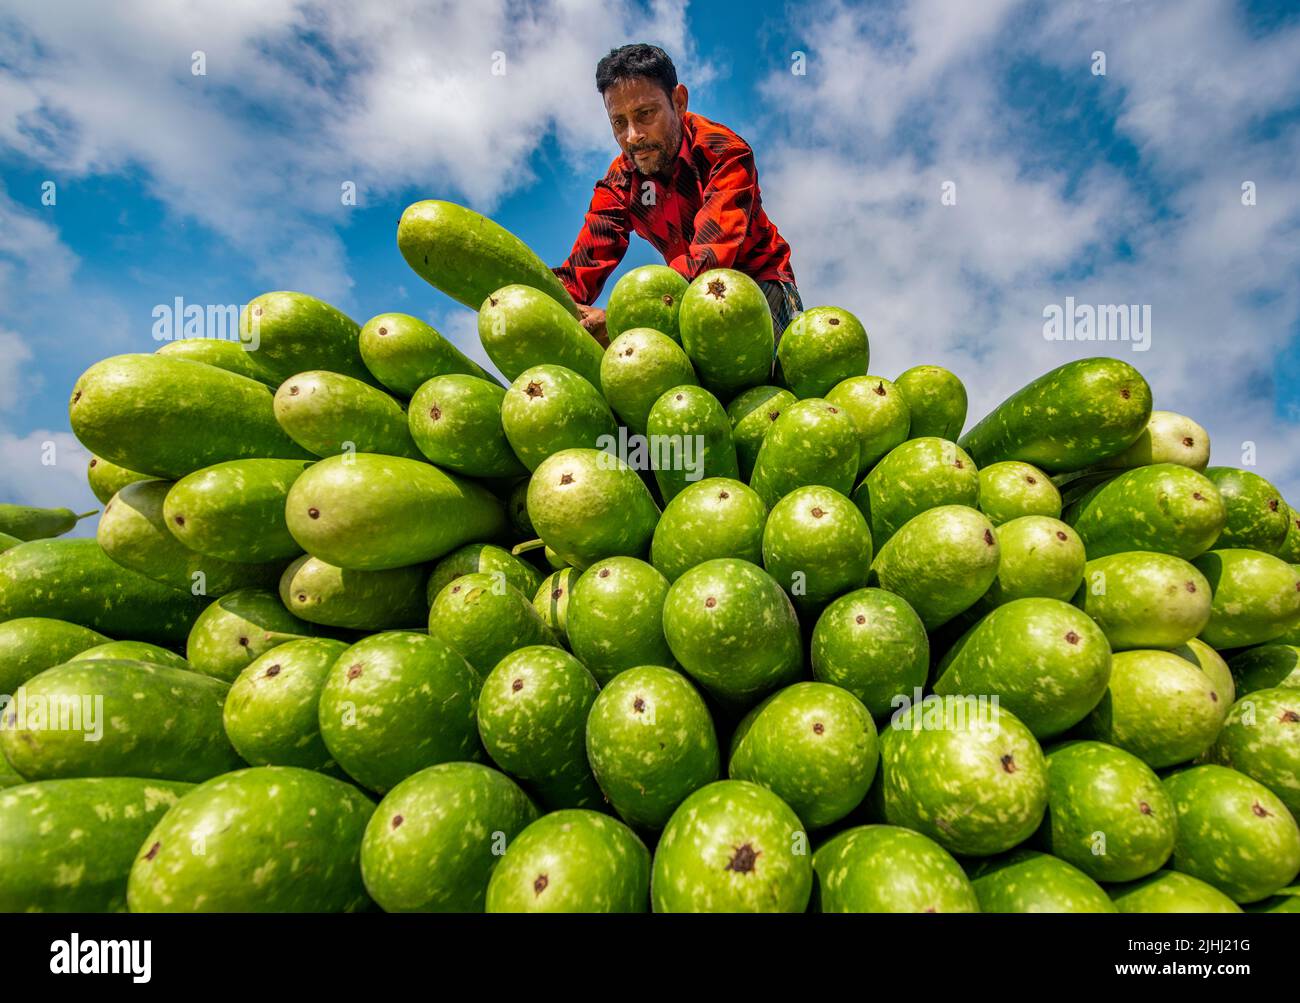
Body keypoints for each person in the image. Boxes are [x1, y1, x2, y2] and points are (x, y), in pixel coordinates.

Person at [551, 43, 802, 350]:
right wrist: (541, 301)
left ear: (679, 101)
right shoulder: (620, 182)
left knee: (773, 389)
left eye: (645, 114)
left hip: (760, 284)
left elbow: (709, 258)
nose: (633, 136)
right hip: (679, 298)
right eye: (619, 122)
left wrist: (620, 319)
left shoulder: (724, 153)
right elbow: (579, 272)